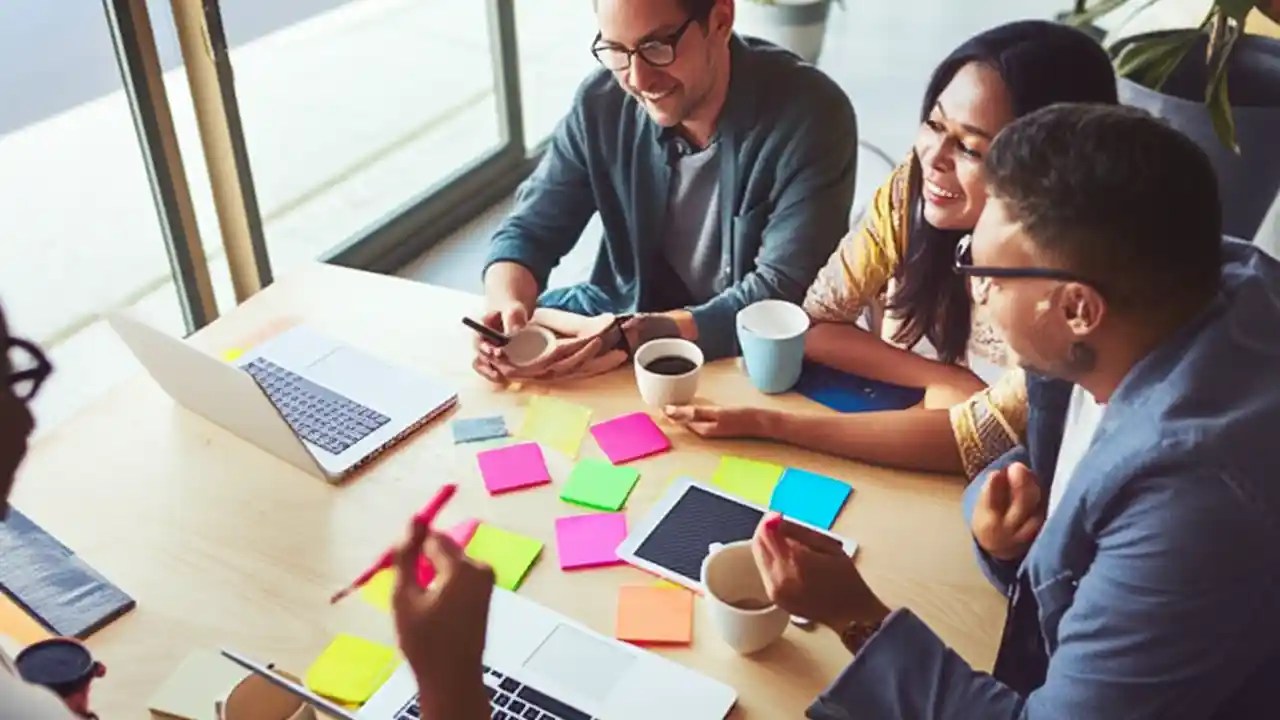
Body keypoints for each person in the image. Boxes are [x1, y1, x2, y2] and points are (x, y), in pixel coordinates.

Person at [751, 104, 1280, 717]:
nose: (974, 288)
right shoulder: (1170, 289)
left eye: (988, 274)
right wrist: (1005, 538)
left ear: (1078, 309)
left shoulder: (1191, 508)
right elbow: (1028, 481)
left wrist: (855, 615)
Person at [665, 20, 1118, 478]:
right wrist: (944, 378)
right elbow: (817, 322)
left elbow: (975, 442)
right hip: (905, 445)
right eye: (934, 123)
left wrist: (772, 425)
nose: (934, 157)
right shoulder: (916, 189)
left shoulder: (1066, 288)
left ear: (1047, 172)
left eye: (970, 148)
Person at [473, 0, 857, 383]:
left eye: (657, 47)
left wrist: (638, 334)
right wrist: (505, 310)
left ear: (721, 20)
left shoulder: (813, 117)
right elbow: (529, 231)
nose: (637, 79)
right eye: (617, 51)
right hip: (622, 316)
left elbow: (780, 295)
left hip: (742, 353)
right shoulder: (602, 101)